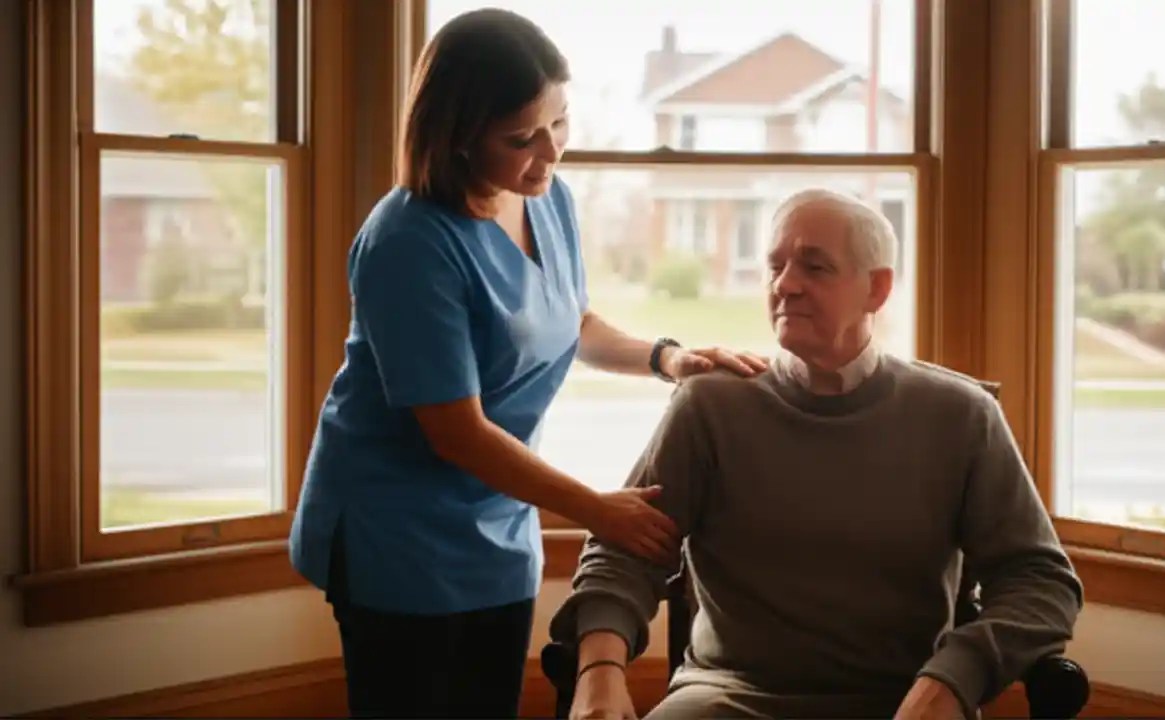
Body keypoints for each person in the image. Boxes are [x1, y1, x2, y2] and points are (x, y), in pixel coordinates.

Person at [287, 9, 767, 719]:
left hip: (498, 521)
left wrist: (668, 359)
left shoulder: (545, 198)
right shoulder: (407, 243)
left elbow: (567, 319)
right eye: (521, 138)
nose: (550, 153)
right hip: (397, 531)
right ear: (457, 136)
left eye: (559, 123)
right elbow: (456, 433)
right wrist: (597, 510)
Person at [549, 189, 1084, 720]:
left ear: (877, 288)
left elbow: (1040, 581)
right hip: (725, 695)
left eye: (815, 266)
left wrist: (953, 678)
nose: (785, 284)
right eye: (775, 266)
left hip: (905, 702)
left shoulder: (961, 415)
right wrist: (600, 671)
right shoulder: (711, 404)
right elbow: (623, 551)